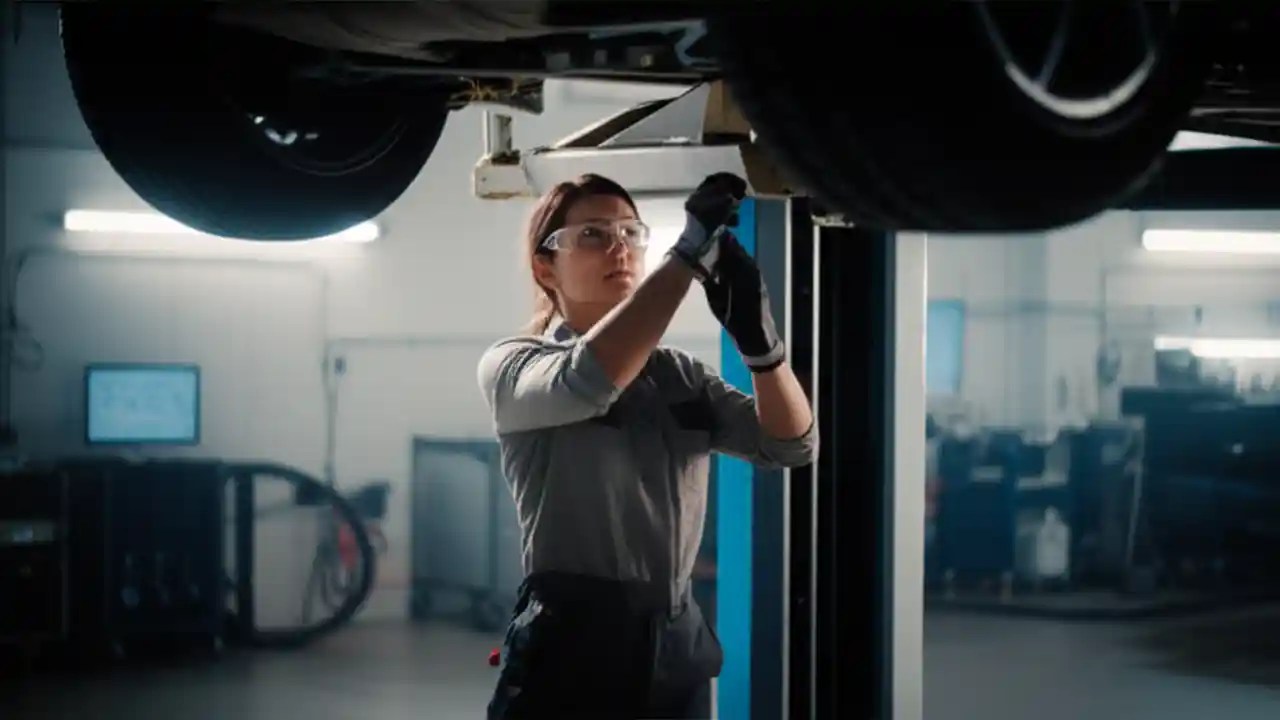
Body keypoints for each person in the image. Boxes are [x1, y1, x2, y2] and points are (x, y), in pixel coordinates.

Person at [477, 172, 819, 719]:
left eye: (631, 233)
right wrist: (686, 257)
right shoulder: (516, 366)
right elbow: (588, 380)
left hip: (676, 648)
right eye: (592, 235)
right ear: (546, 267)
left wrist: (765, 352)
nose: (619, 247)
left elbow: (791, 445)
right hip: (573, 649)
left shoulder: (678, 375)